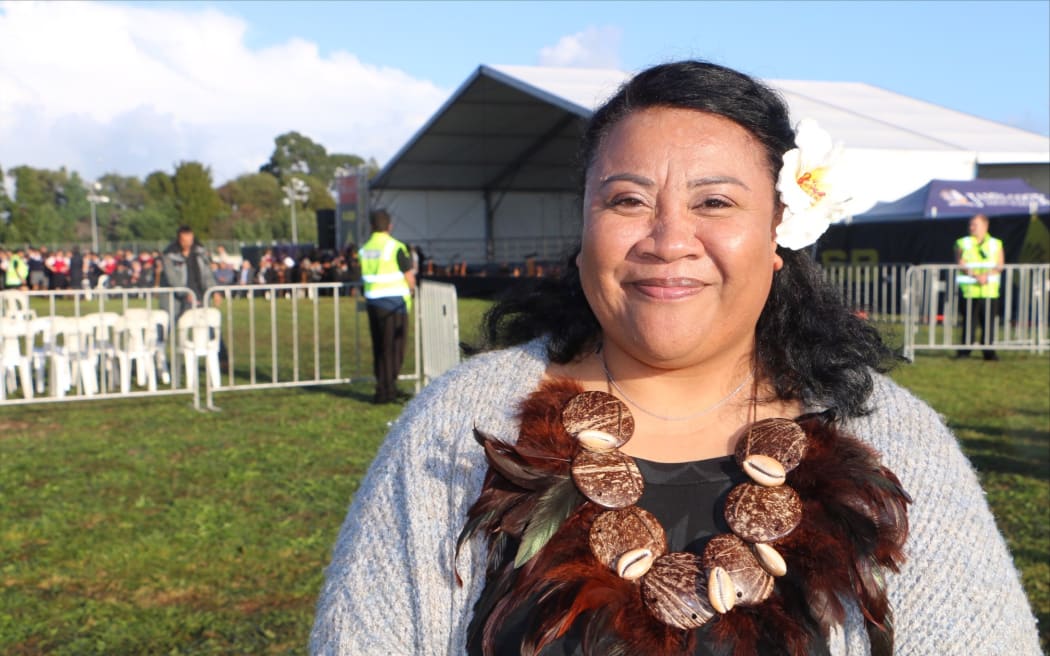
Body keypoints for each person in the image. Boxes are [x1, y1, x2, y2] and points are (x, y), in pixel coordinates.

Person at [311, 62, 1040, 655]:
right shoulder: (459, 429)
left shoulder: (897, 444)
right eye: (627, 200)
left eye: (715, 203)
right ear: (585, 225)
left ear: (780, 233)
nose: (667, 238)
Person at [358, 209, 416, 404]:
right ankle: (387, 390)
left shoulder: (365, 249)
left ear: (372, 226)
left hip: (373, 302)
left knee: (380, 348)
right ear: (389, 226)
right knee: (394, 348)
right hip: (394, 304)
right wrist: (413, 290)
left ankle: (383, 387)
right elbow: (409, 277)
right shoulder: (395, 247)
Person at [160, 225, 227, 367]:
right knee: (165, 328)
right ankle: (157, 358)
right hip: (175, 299)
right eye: (184, 240)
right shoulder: (169, 255)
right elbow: (172, 278)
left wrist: (214, 291)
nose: (188, 243)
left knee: (209, 324)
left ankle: (222, 359)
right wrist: (185, 293)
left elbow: (207, 274)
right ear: (179, 239)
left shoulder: (200, 253)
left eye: (190, 239)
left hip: (198, 294)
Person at [954, 213, 1004, 361]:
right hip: (969, 289)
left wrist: (986, 276)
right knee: (969, 322)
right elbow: (960, 262)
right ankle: (964, 351)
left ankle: (989, 352)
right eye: (970, 224)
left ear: (985, 225)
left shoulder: (996, 243)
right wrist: (977, 276)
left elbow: (1000, 264)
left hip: (990, 291)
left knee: (988, 323)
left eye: (975, 224)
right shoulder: (963, 242)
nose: (971, 227)